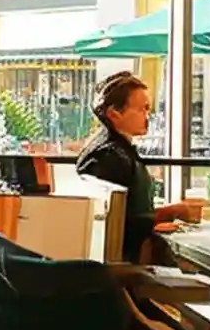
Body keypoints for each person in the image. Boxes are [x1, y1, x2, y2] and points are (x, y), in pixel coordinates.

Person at [76, 72, 195, 264]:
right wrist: (170, 212)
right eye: (143, 109)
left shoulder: (114, 151)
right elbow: (117, 222)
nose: (148, 117)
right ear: (114, 113)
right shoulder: (109, 157)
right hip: (122, 267)